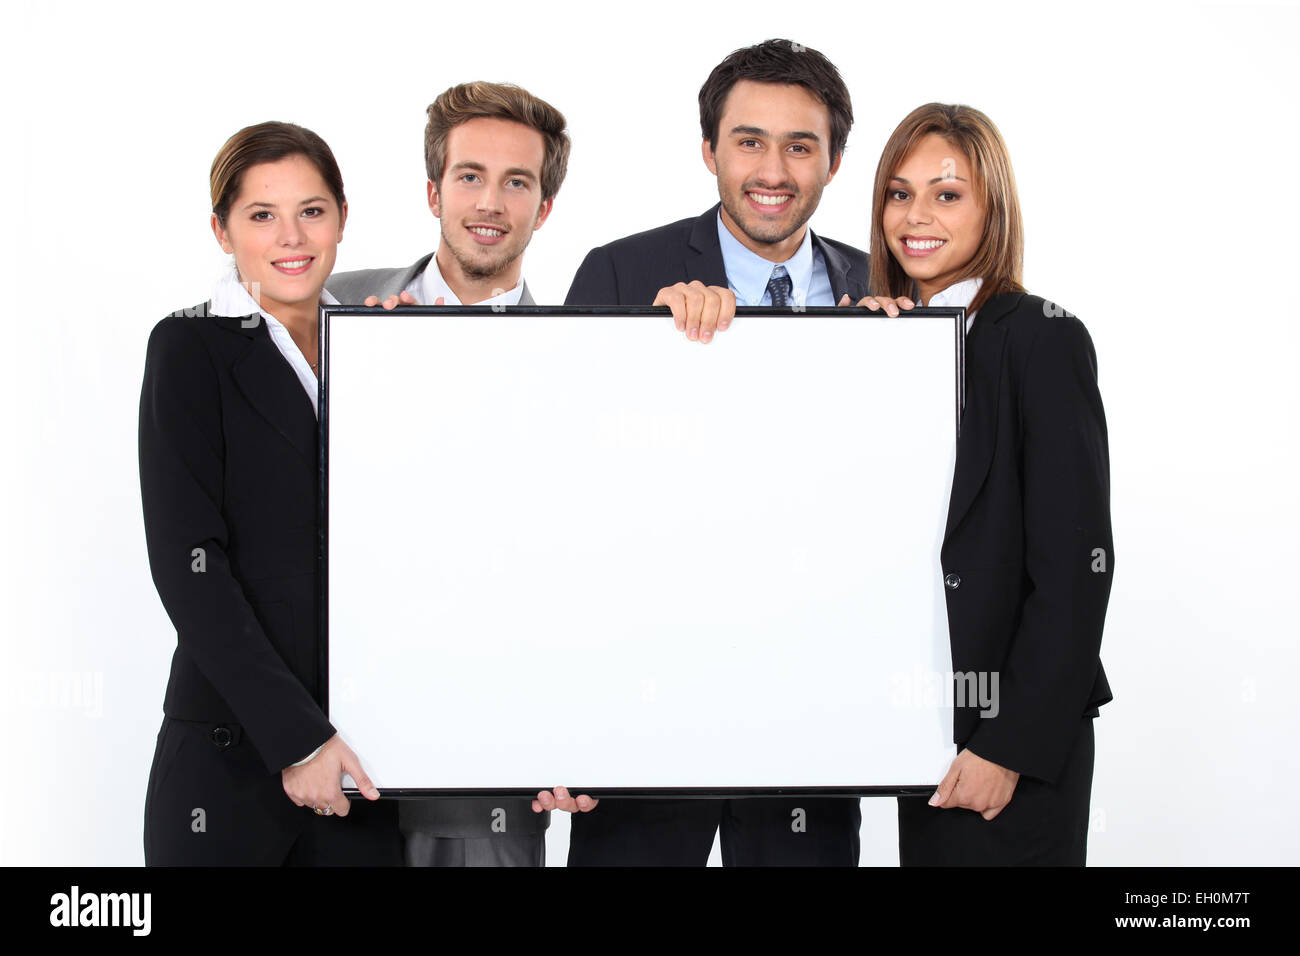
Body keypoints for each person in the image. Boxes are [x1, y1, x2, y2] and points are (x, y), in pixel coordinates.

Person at [549, 38, 869, 866]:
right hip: (643, 716)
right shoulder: (624, 274)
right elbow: (563, 501)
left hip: (811, 721)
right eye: (749, 140)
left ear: (834, 161)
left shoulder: (884, 294)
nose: (774, 168)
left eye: (801, 145)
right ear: (708, 151)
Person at [139, 121, 400, 865]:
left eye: (312, 211)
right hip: (230, 763)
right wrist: (297, 738)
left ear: (342, 218)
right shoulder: (190, 347)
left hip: (364, 768)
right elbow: (189, 564)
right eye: (261, 215)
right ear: (222, 231)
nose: (292, 236)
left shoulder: (379, 346)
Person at [327, 81, 570, 867]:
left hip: (483, 770)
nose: (489, 202)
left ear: (546, 207)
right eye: (470, 176)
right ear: (433, 190)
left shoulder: (584, 361)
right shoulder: (331, 307)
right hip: (316, 750)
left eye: (517, 182)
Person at [866, 103, 1113, 865]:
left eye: (947, 194)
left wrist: (1006, 746)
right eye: (899, 193)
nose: (916, 216)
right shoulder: (890, 345)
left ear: (992, 207)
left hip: (1012, 750)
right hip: (926, 734)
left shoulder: (1042, 336)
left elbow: (1076, 569)